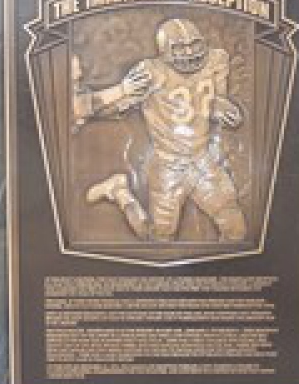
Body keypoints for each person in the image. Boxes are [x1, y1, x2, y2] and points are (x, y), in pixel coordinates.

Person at [74, 18, 246, 242]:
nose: (189, 54)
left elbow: (215, 102)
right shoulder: (152, 72)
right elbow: (113, 105)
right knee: (158, 240)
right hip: (169, 168)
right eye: (180, 48)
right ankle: (122, 194)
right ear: (164, 50)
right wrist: (88, 104)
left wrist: (223, 107)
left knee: (236, 230)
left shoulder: (216, 60)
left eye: (194, 45)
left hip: (203, 162)